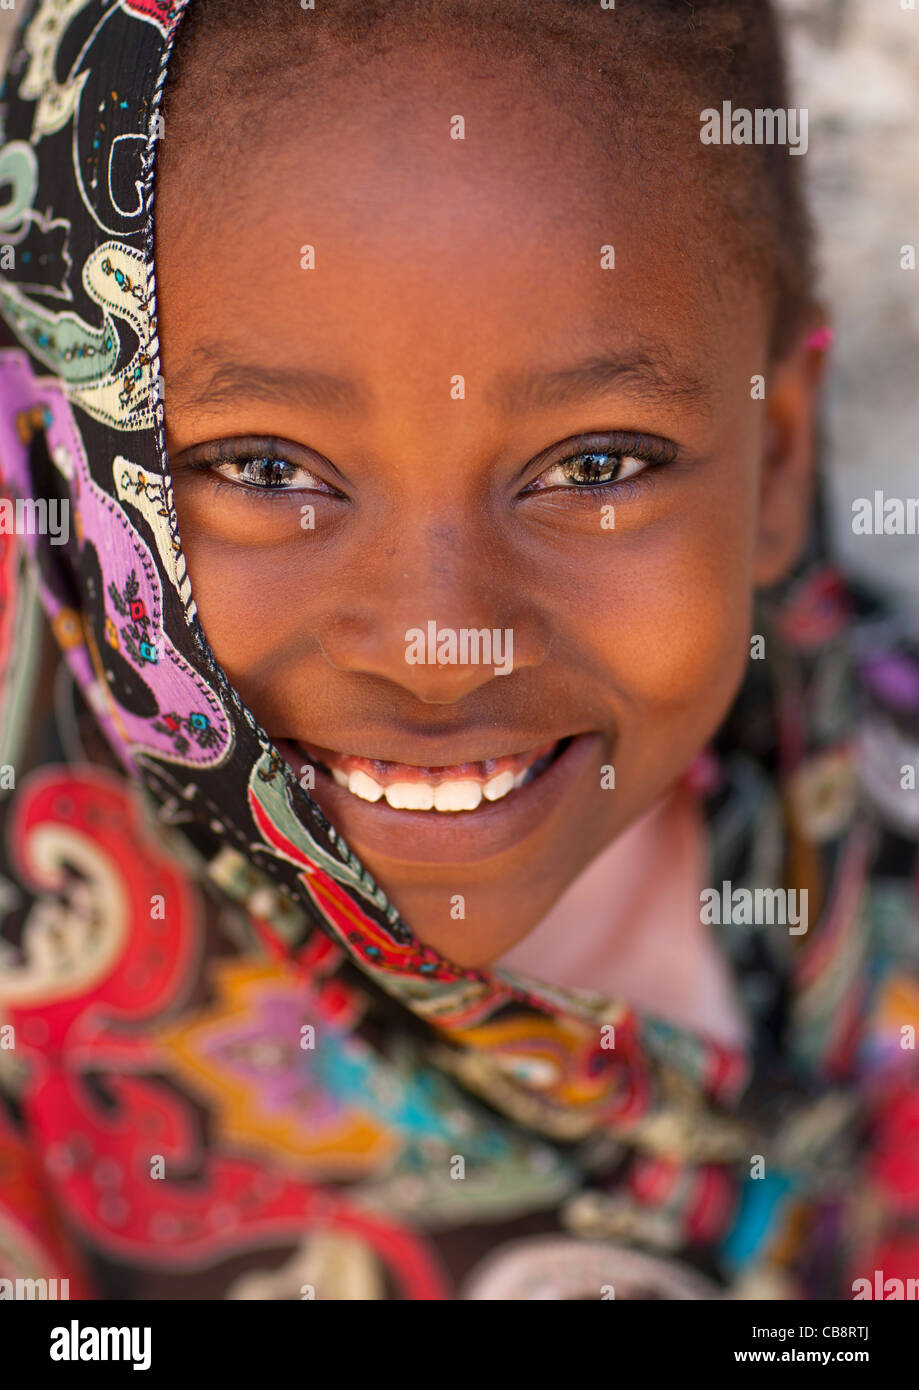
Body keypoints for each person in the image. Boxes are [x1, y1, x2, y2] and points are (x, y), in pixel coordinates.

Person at [0, 0, 917, 1301]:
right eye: (267, 468)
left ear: (776, 462)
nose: (441, 646)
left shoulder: (879, 821)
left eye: (595, 464)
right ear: (83, 458)